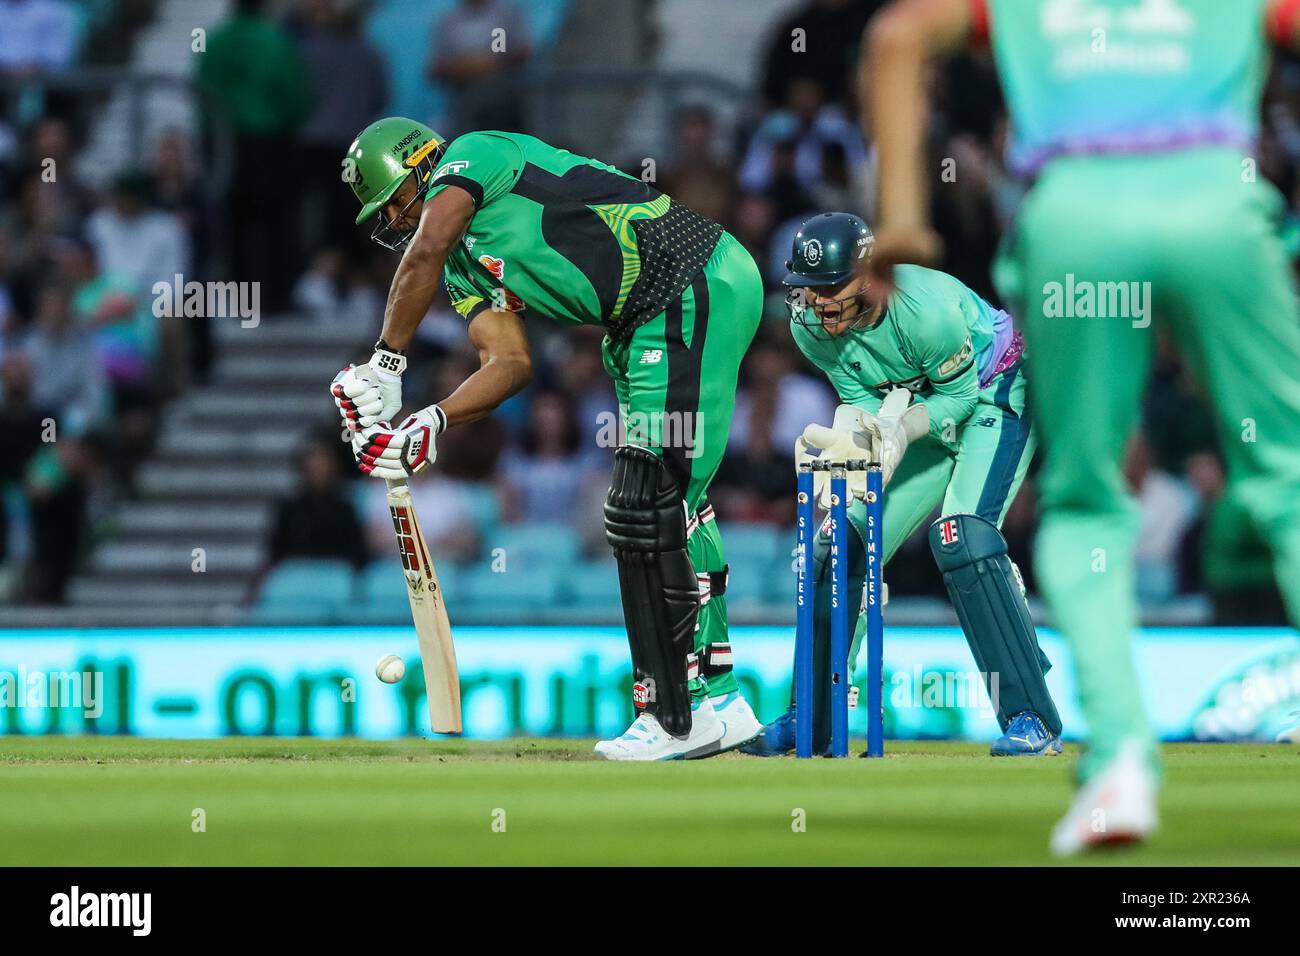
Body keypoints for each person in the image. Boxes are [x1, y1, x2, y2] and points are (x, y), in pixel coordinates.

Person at [864, 0, 1300, 853]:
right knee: (1287, 479)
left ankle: (1120, 768)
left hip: (1074, 216)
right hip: (1218, 199)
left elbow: (894, 37)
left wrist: (905, 213)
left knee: (1084, 499)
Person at [328, 117, 766, 760]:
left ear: (419, 168)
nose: (395, 225)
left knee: (643, 503)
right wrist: (433, 419)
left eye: (394, 204)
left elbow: (425, 244)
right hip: (648, 317)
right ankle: (718, 699)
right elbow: (509, 365)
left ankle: (675, 716)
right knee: (673, 506)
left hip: (682, 280)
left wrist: (387, 363)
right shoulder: (461, 271)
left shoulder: (475, 155)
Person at [742, 212, 1061, 758]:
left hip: (996, 393)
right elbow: (864, 394)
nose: (819, 304)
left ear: (869, 276)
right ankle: (812, 716)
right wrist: (866, 437)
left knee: (963, 536)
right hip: (920, 406)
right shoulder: (810, 328)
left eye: (832, 288)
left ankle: (1032, 718)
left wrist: (903, 428)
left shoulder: (926, 312)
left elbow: (959, 401)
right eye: (809, 290)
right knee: (835, 546)